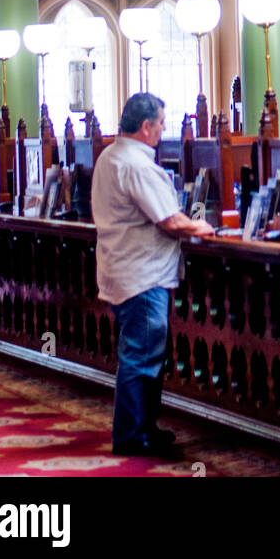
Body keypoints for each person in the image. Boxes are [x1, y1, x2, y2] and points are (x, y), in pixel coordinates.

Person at [91, 92, 215, 457]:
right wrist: (201, 227)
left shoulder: (110, 155)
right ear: (146, 127)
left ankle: (144, 428)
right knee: (141, 357)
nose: (163, 130)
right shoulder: (136, 164)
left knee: (144, 354)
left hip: (124, 270)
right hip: (142, 276)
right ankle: (131, 437)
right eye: (160, 123)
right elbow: (169, 219)